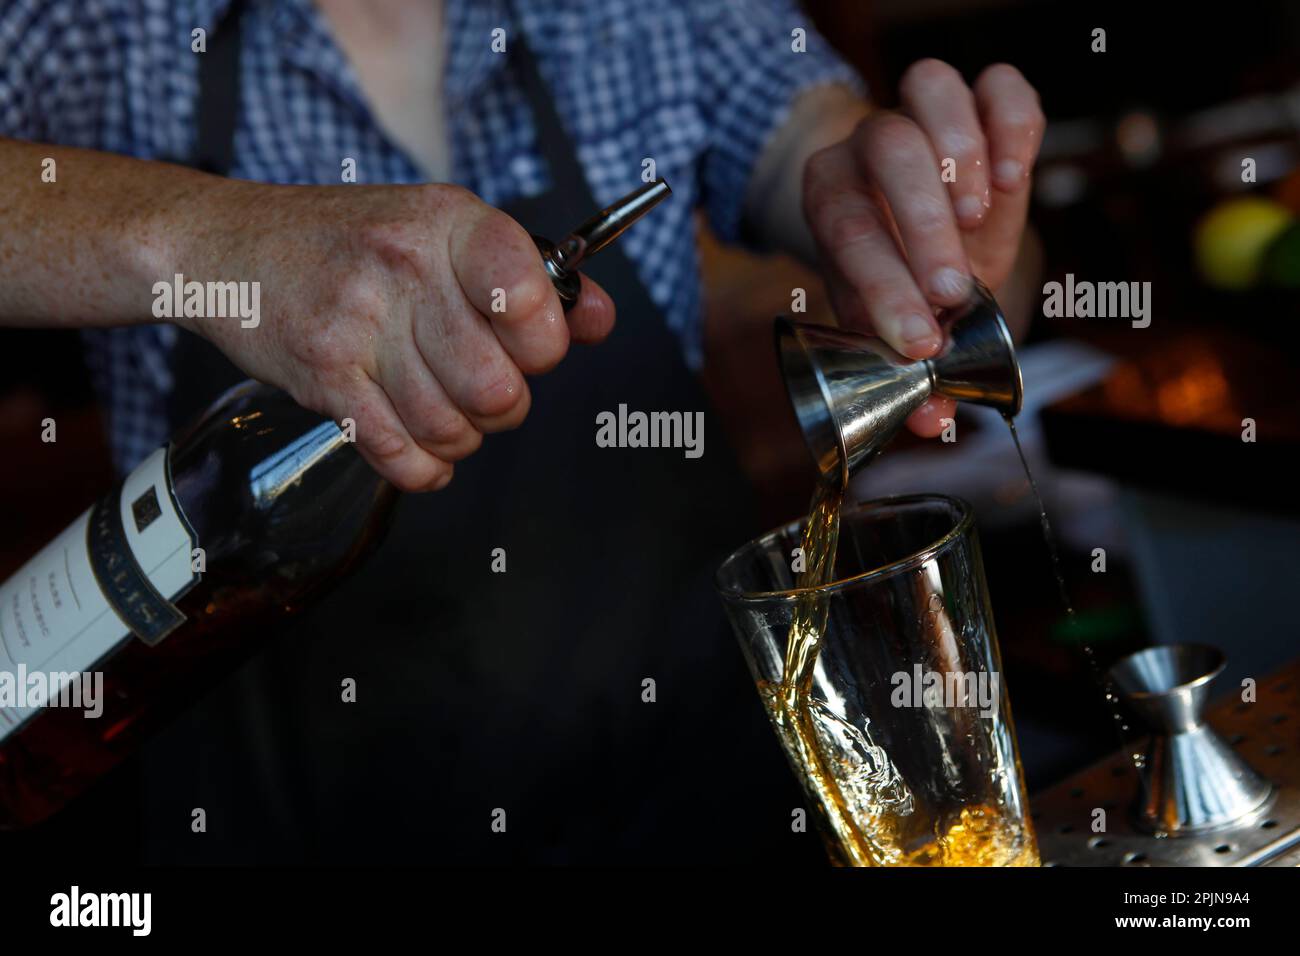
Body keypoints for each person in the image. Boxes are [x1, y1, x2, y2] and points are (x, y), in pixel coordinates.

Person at [0, 0, 1043, 863]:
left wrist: (930, 240)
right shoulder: (101, 27)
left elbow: (827, 144)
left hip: (697, 804)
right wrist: (207, 234)